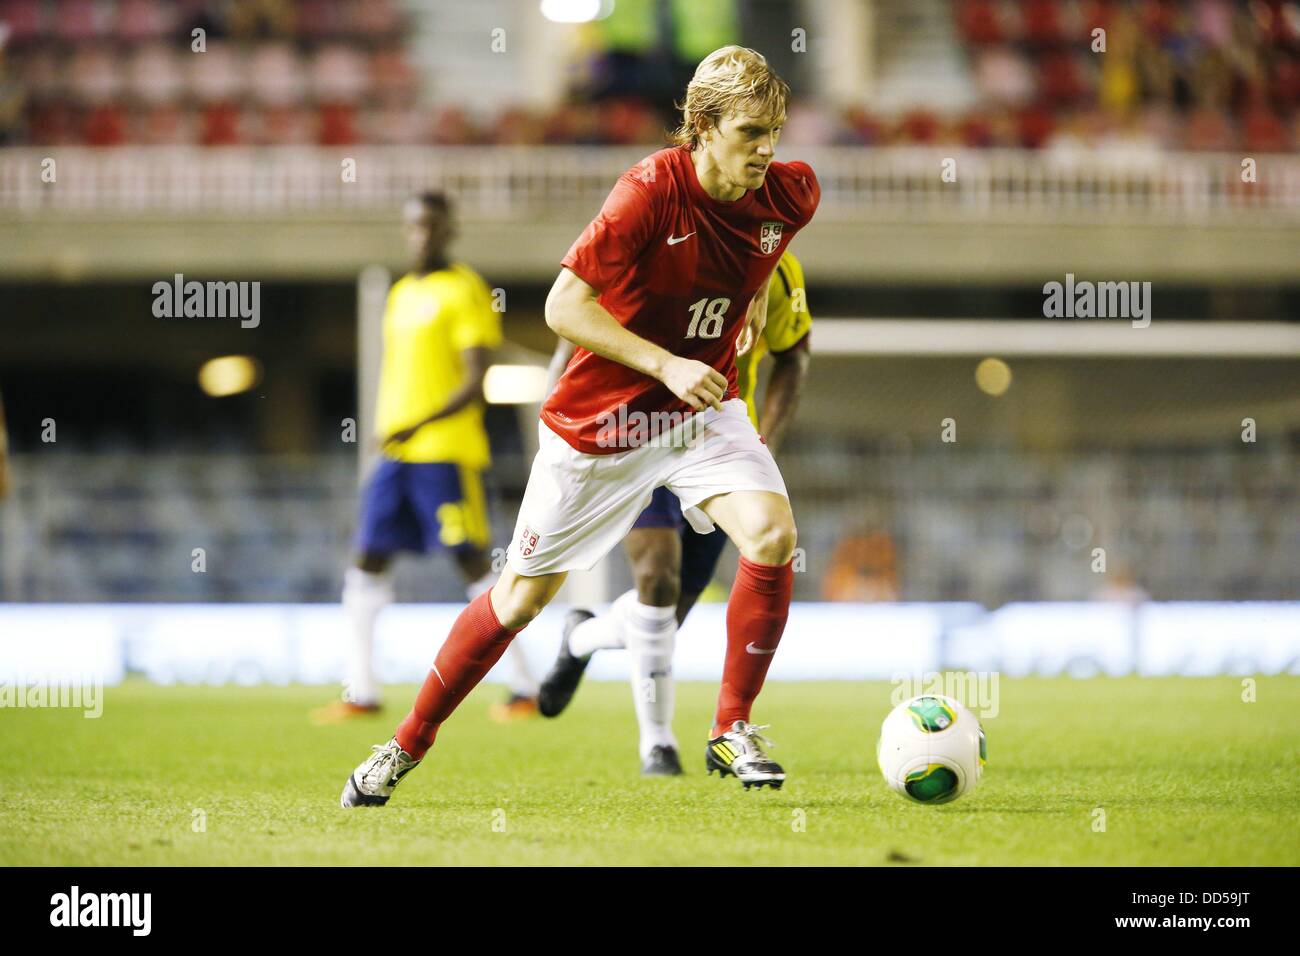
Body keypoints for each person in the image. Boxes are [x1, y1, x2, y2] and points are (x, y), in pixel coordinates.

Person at [341, 45, 819, 806]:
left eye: (777, 131)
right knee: (519, 602)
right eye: (751, 131)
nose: (769, 148)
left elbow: (759, 257)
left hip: (703, 411)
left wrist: (751, 300)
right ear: (700, 127)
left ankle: (730, 727)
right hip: (604, 424)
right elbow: (563, 307)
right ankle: (402, 745)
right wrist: (664, 364)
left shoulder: (792, 195)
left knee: (772, 535)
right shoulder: (646, 193)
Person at [534, 249, 812, 775]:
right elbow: (568, 335)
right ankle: (657, 744)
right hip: (630, 436)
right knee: (657, 579)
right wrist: (551, 435)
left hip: (712, 443)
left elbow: (793, 355)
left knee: (666, 617)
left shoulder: (778, 265)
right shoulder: (641, 236)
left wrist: (762, 449)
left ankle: (581, 637)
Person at [313, 191, 542, 725]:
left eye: (433, 226)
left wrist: (420, 421)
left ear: (448, 230)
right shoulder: (400, 293)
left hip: (447, 454)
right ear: (406, 229)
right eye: (415, 226)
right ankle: (361, 690)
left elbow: (475, 381)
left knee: (472, 565)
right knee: (367, 562)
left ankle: (524, 686)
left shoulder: (465, 289)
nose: (423, 235)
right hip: (396, 455)